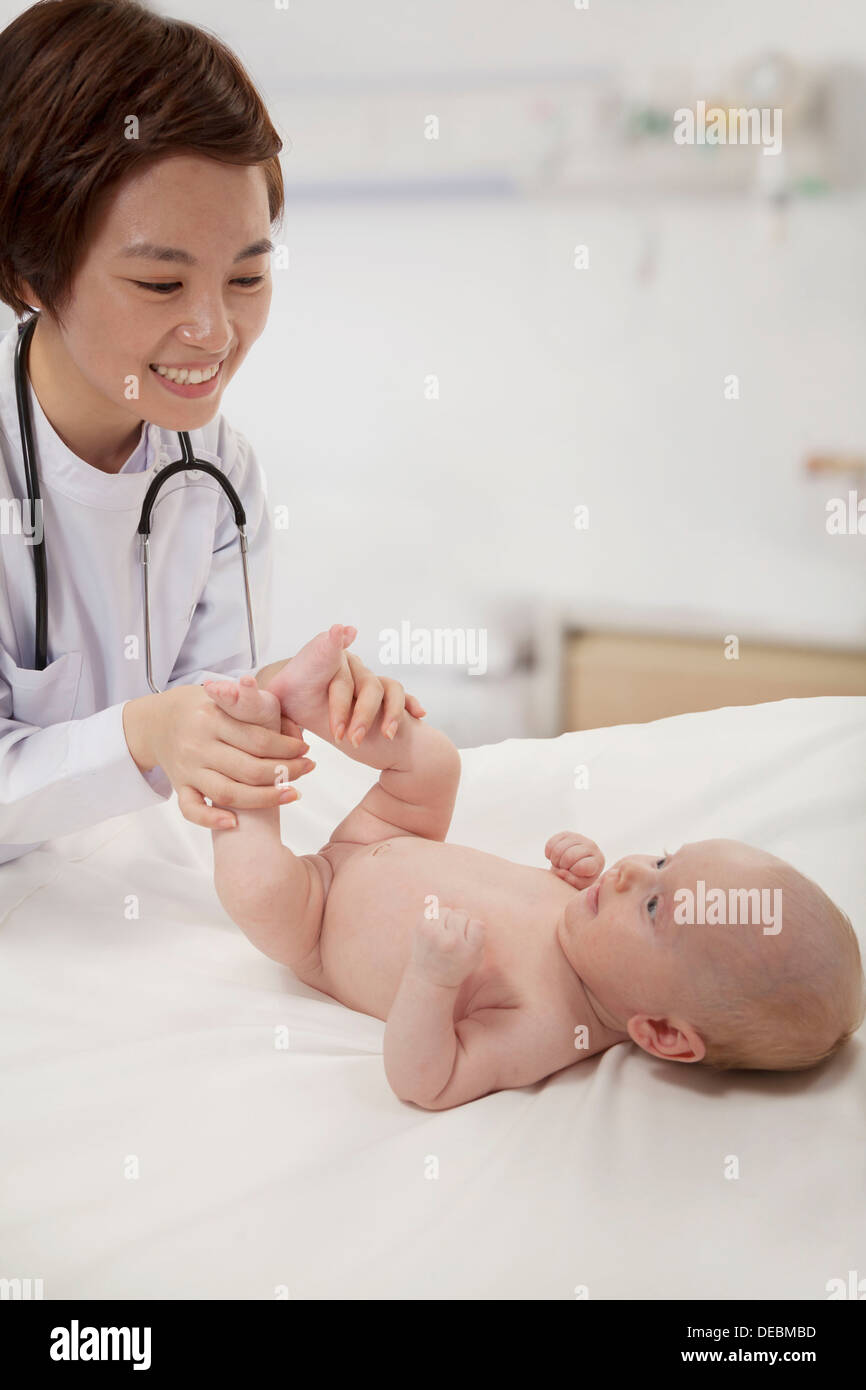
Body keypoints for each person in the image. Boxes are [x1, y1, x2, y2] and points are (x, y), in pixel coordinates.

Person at [0, 0, 424, 864]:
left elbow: (205, 702)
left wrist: (279, 697)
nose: (214, 332)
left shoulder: (215, 473)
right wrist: (147, 734)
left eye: (246, 276)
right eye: (160, 285)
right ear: (26, 273)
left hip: (100, 893)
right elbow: (155, 735)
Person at [207, 624, 866, 1110]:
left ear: (662, 1033)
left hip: (316, 919)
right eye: (664, 861)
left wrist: (434, 982)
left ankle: (247, 752)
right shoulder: (592, 920)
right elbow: (527, 896)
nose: (634, 871)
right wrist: (575, 871)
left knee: (259, 890)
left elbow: (426, 1081)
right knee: (437, 765)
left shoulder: (551, 1025)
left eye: (655, 907)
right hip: (392, 828)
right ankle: (310, 703)